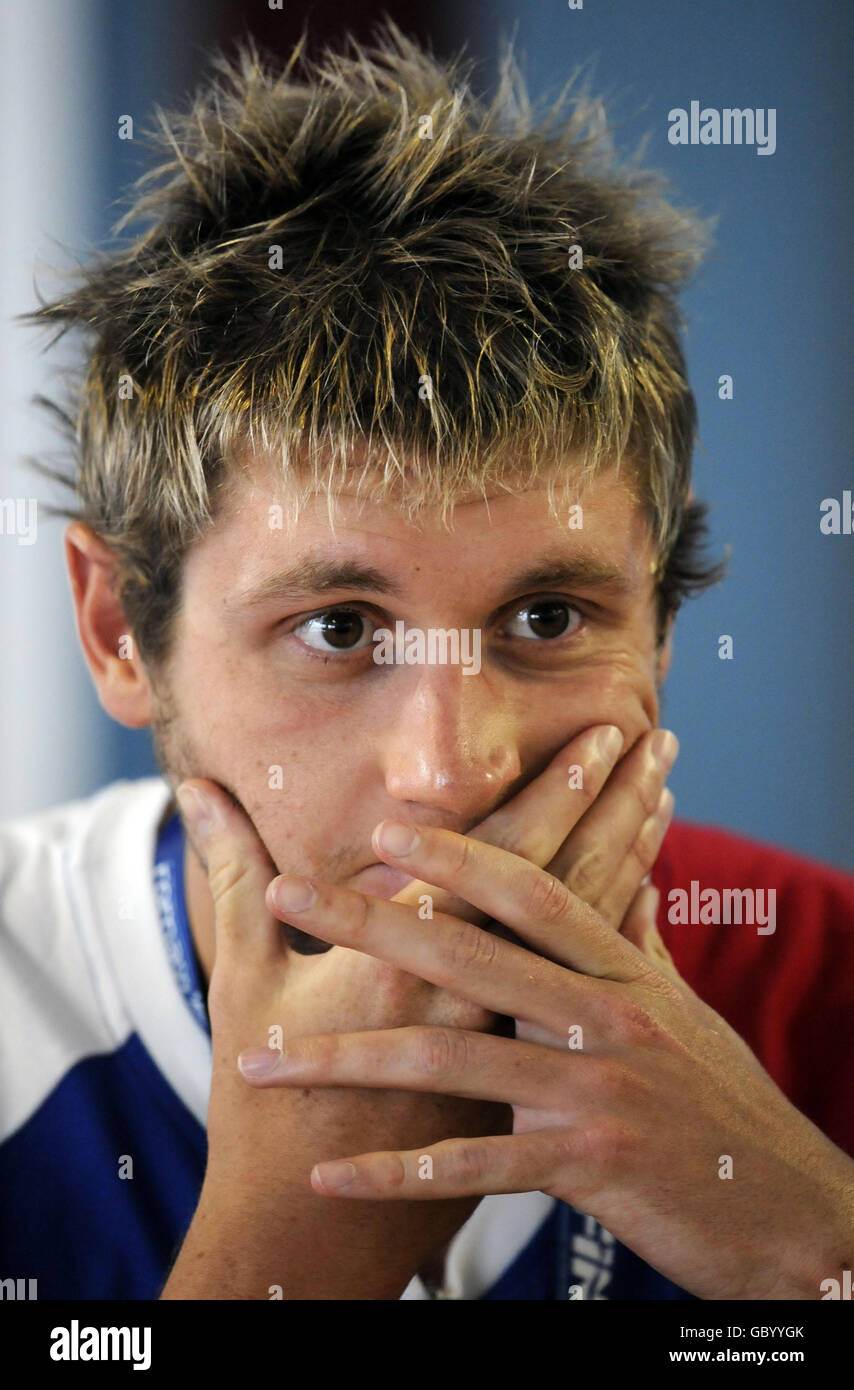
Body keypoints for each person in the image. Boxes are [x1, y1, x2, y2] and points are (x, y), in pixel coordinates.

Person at [2, 22, 852, 1301]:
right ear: (123, 630)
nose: (451, 772)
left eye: (549, 619)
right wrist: (284, 1261)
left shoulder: (819, 972)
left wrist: (815, 1251)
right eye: (339, 629)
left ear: (661, 630)